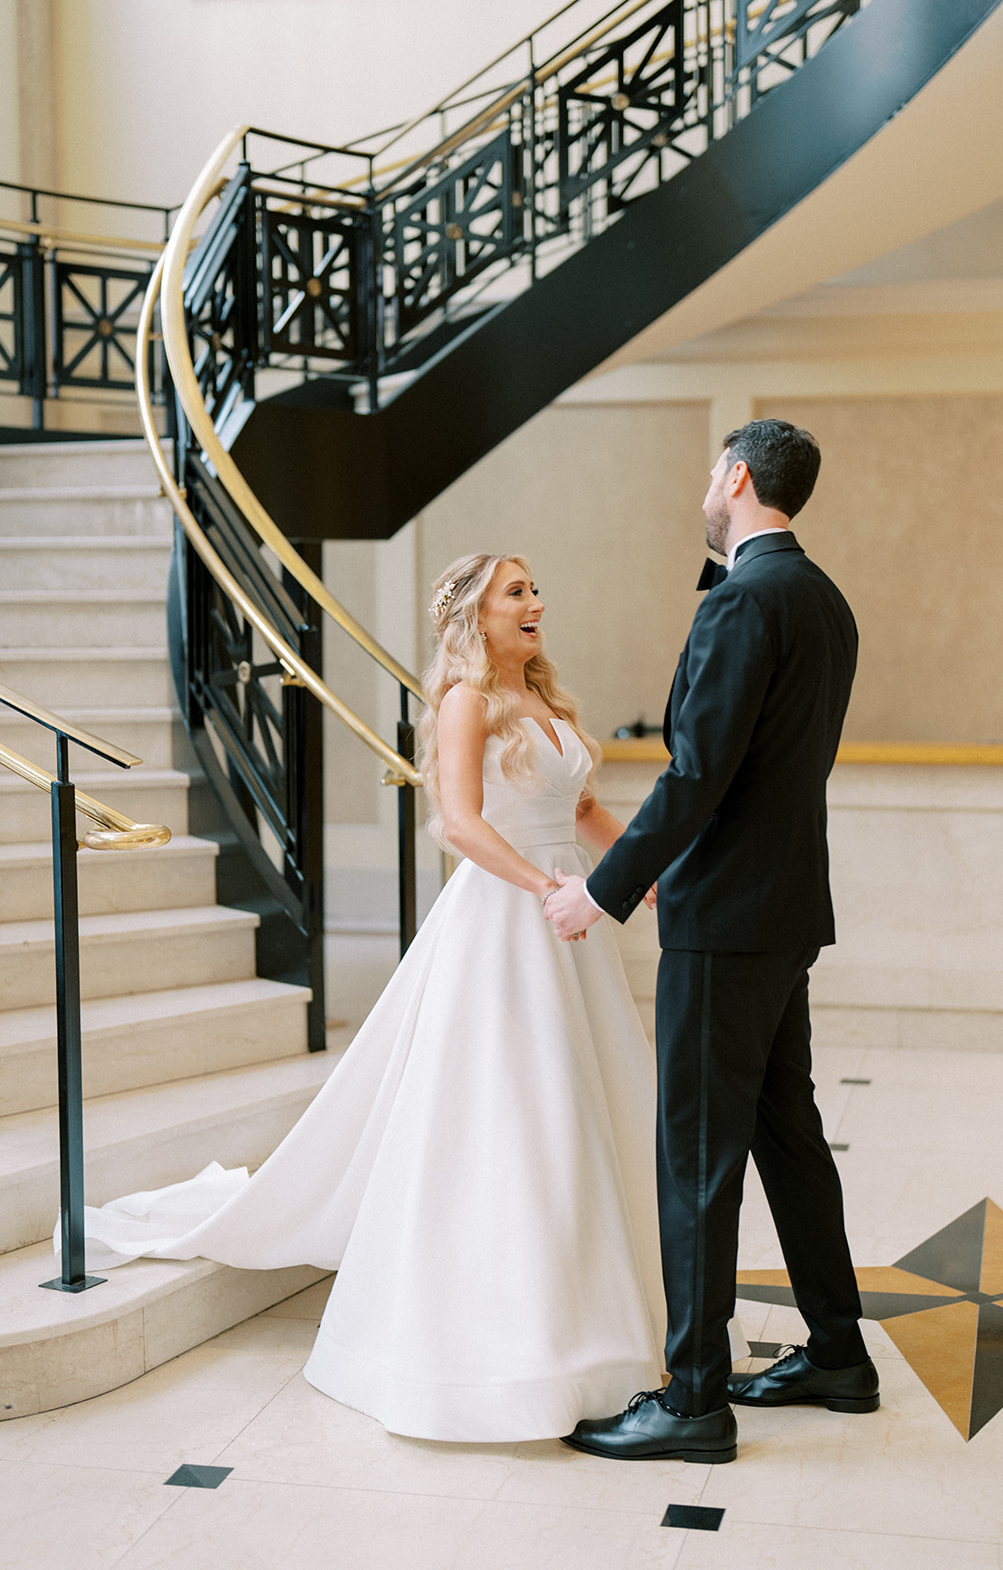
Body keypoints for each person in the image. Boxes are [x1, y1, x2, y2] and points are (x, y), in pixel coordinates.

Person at [72, 552, 671, 1444]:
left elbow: (581, 808)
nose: (537, 602)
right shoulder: (467, 702)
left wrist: (637, 873)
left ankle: (611, 1317)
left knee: (589, 1098)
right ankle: (510, 1337)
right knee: (518, 1109)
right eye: (516, 592)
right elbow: (459, 823)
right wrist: (544, 891)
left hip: (568, 914)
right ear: (476, 614)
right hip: (508, 921)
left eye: (536, 588)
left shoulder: (549, 701)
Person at [545, 419, 879, 1464]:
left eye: (708, 471)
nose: (703, 486)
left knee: (695, 1155)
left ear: (735, 476)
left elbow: (698, 775)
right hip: (783, 916)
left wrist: (604, 888)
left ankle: (692, 1397)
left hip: (723, 922)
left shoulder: (742, 600)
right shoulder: (822, 599)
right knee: (785, 1131)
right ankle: (835, 1350)